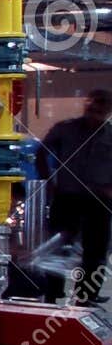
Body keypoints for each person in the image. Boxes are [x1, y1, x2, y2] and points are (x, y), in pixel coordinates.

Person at [43, 89, 112, 301]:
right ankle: (52, 293)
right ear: (86, 107)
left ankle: (86, 294)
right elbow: (42, 151)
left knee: (96, 251)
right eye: (93, 107)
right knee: (58, 247)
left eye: (102, 109)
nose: (96, 113)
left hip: (99, 200)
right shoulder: (66, 130)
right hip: (67, 197)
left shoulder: (110, 135)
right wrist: (49, 181)